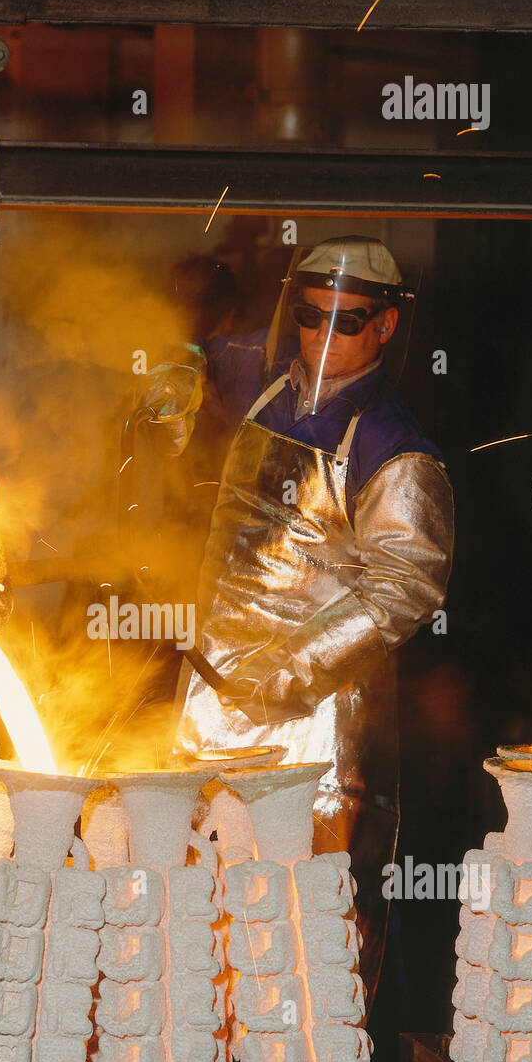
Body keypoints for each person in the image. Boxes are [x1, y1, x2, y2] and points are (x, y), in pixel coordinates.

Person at [171, 235, 455, 1008]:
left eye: (349, 322)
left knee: (302, 913)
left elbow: (404, 589)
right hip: (213, 695)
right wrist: (173, 369)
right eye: (310, 316)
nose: (325, 338)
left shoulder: (395, 448)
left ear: (387, 326)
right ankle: (205, 1060)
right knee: (198, 901)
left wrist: (287, 675)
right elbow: (205, 349)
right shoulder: (274, 392)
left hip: (308, 722)